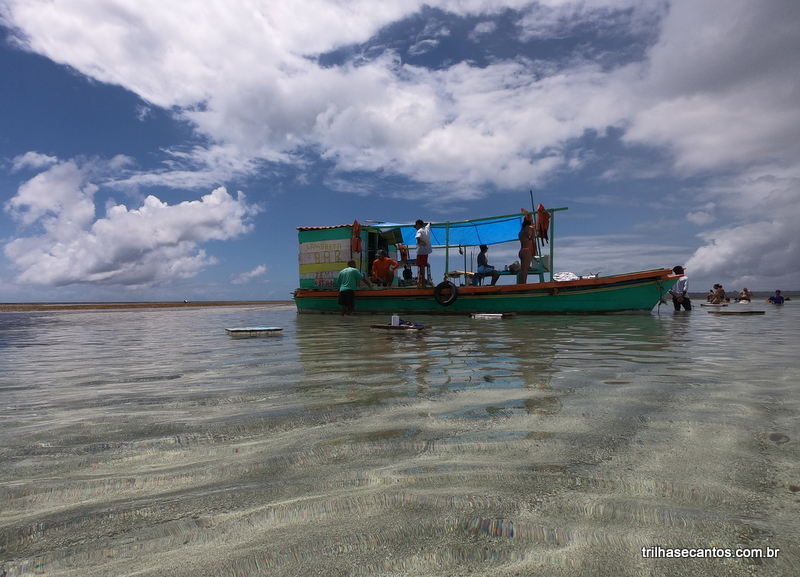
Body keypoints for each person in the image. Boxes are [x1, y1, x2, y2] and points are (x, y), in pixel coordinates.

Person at [414, 219, 432, 287]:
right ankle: (421, 281)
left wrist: (420, 242)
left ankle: (421, 282)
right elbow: (429, 223)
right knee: (422, 265)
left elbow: (418, 237)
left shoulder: (420, 230)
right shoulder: (426, 229)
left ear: (418, 225)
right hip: (426, 251)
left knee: (420, 266)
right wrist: (425, 223)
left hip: (420, 251)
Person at [517, 220, 534, 284]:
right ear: (526, 226)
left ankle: (521, 283)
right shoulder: (525, 232)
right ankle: (523, 283)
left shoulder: (521, 232)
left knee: (523, 269)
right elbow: (532, 238)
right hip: (526, 251)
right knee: (525, 270)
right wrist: (533, 230)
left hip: (522, 250)